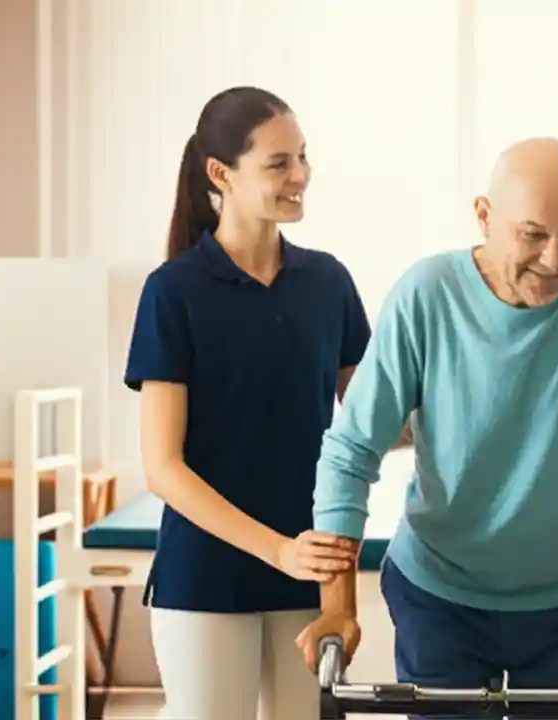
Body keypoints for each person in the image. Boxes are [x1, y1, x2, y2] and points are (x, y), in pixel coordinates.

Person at [297, 137, 558, 699]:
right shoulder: (426, 295)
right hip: (440, 593)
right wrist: (337, 609)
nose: (556, 260)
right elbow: (351, 451)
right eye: (533, 235)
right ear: (484, 217)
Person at [124, 86, 372, 720]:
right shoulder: (173, 291)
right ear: (220, 173)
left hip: (310, 564)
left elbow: (374, 421)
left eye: (303, 157)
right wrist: (276, 549)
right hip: (206, 572)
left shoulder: (328, 282)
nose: (301, 176)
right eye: (279, 163)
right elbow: (163, 467)